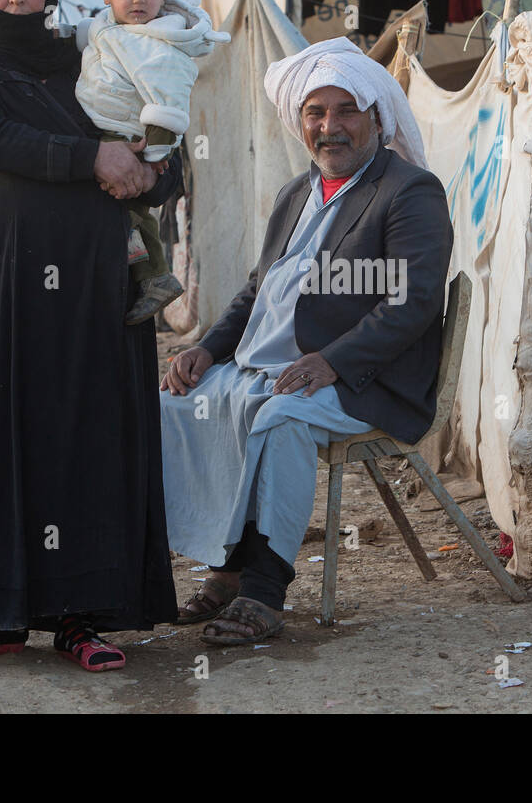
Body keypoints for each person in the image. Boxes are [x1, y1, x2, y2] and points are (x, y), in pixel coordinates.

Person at [0, 0, 179, 672]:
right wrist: (92, 157)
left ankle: (81, 617)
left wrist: (149, 174)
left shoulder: (97, 58)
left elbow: (162, 148)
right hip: (9, 287)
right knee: (1, 432)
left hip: (102, 284)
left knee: (88, 440)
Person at [159, 37, 453, 645]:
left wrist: (333, 361)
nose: (330, 126)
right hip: (274, 363)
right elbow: (254, 292)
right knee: (181, 403)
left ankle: (263, 592)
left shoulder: (409, 191)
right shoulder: (297, 192)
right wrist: (206, 350)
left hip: (368, 380)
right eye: (316, 113)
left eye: (345, 111)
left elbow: (414, 301)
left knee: (280, 420)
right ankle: (226, 567)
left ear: (376, 117)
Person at [74, 0, 229, 325]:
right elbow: (94, 36)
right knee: (125, 212)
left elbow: (169, 99)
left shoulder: (160, 43)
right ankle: (148, 275)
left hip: (128, 136)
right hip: (103, 128)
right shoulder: (111, 28)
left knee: (130, 211)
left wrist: (156, 157)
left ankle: (154, 276)